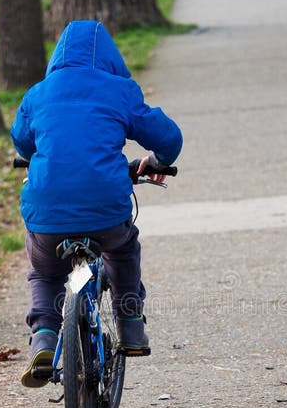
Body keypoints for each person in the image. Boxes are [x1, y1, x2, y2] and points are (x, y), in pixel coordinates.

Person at [10, 20, 182, 388]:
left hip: (48, 214)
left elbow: (22, 142)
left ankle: (44, 337)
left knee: (46, 271)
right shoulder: (119, 90)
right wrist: (156, 160)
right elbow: (168, 137)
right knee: (121, 248)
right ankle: (130, 323)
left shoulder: (38, 94)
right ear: (110, 59)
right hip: (106, 211)